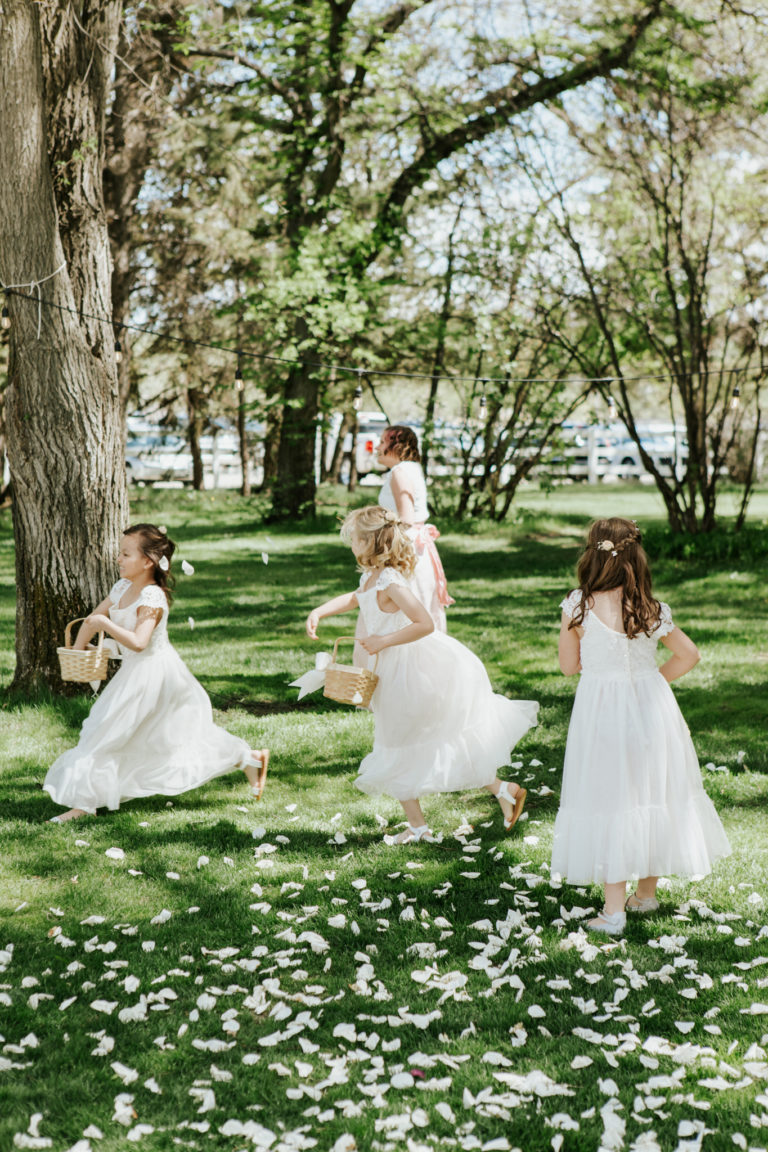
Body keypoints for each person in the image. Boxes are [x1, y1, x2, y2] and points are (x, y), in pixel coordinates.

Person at [305, 506, 538, 843]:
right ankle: (500, 791)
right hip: (389, 670)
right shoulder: (371, 577)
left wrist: (383, 639)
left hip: (408, 671)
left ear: (371, 542)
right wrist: (319, 611)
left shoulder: (390, 581)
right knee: (404, 741)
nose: (351, 544)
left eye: (355, 539)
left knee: (397, 742)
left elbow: (424, 623)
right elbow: (356, 598)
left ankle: (426, 824)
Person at [551, 517, 730, 935]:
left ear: (591, 556)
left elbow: (566, 667)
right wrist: (650, 683)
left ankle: (615, 912)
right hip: (652, 712)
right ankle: (645, 895)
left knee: (611, 798)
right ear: (636, 558)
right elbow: (689, 654)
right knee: (654, 791)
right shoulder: (649, 608)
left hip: (602, 716)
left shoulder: (578, 606)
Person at [44, 523, 269, 823]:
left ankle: (249, 758)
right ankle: (250, 758)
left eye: (125, 554)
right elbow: (92, 619)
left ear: (148, 562)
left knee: (156, 739)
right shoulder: (122, 587)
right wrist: (80, 650)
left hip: (157, 676)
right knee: (114, 733)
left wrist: (107, 626)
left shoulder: (152, 598)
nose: (119, 560)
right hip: (134, 675)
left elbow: (138, 642)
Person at [374, 424, 453, 632]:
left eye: (383, 442)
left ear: (397, 446)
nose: (377, 447)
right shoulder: (412, 468)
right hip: (415, 545)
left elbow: (406, 518)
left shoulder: (400, 472)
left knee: (405, 604)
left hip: (405, 547)